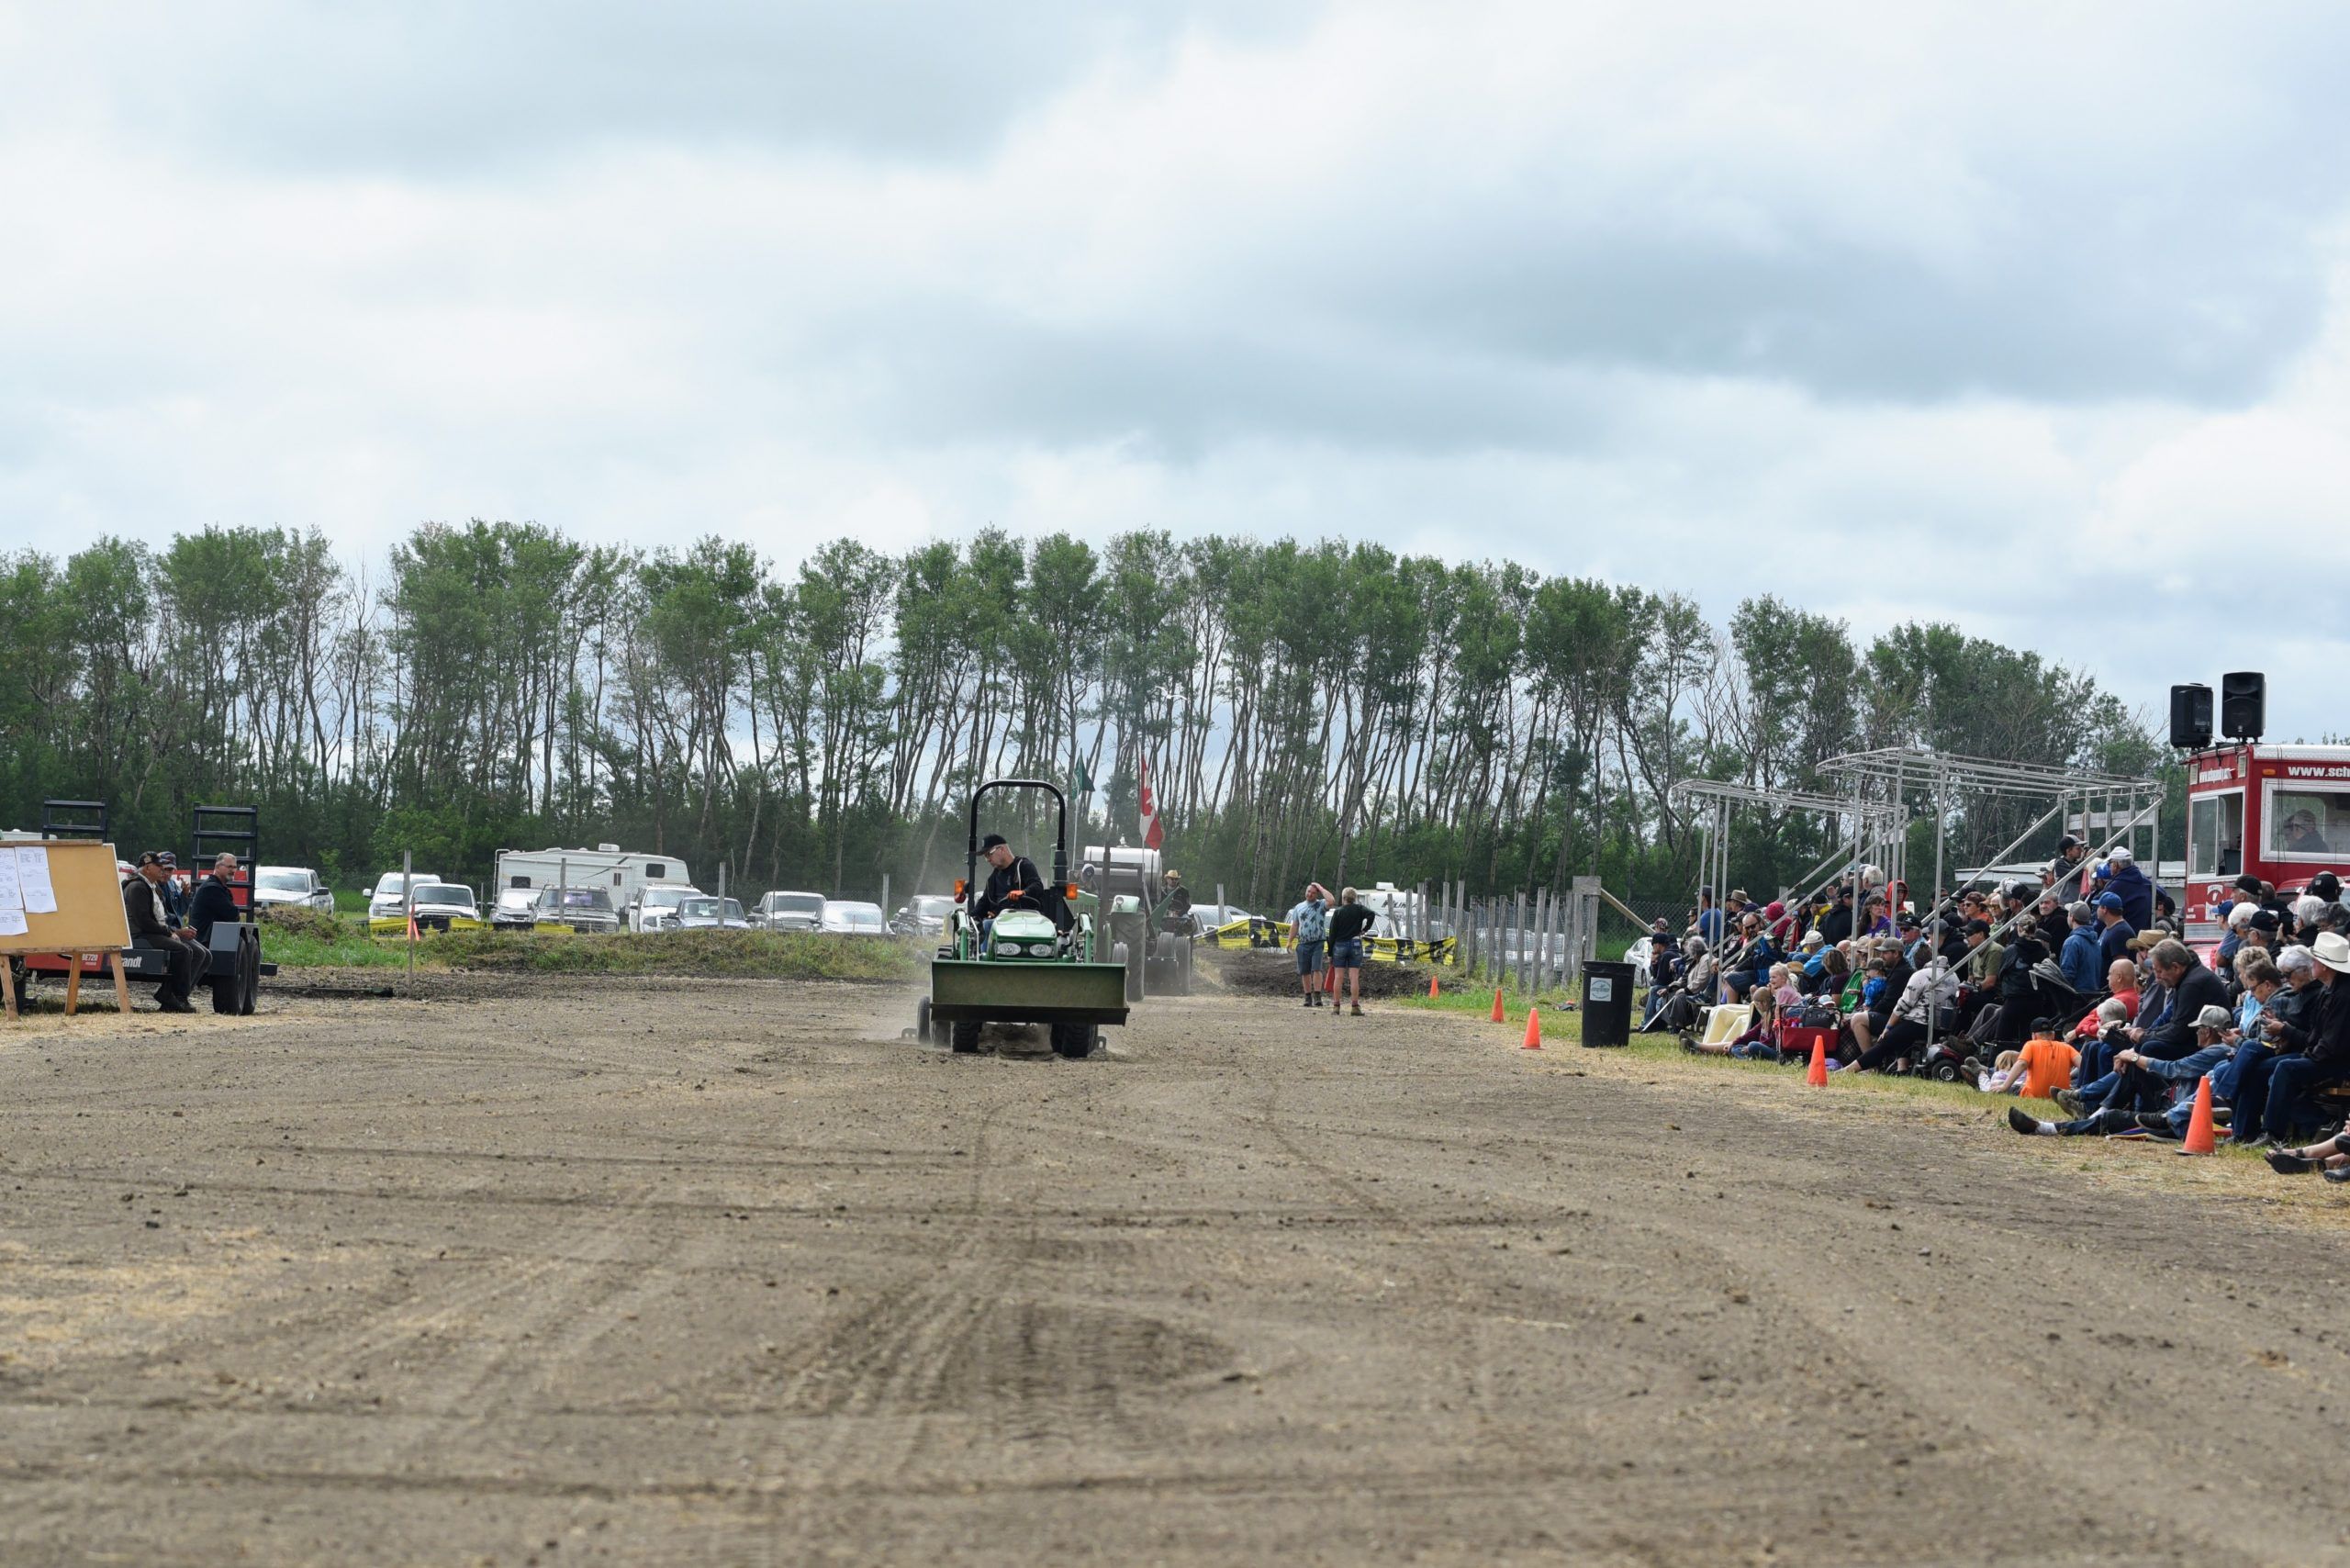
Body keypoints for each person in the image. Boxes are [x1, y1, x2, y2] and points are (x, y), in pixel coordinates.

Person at [2252, 929, 2350, 1143]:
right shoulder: (2329, 990)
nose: (2311, 964)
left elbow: (2332, 1044)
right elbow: (2318, 1035)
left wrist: (2306, 1053)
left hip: (2338, 1063)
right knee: (2267, 1071)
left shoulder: (2342, 995)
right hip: (2326, 1057)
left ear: (2324, 966)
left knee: (2285, 1069)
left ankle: (2273, 1132)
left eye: (2315, 960)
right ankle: (2317, 1122)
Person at [122, 851, 202, 1013]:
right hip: (139, 934)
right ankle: (177, 997)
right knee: (182, 950)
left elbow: (161, 916)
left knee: (187, 950)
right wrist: (168, 932)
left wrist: (169, 931)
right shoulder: (137, 887)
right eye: (158, 866)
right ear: (147, 867)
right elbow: (144, 921)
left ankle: (171, 995)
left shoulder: (151, 886)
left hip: (149, 932)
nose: (162, 869)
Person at [973, 833, 1053, 925]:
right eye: (985, 857)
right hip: (1000, 924)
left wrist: (1023, 892)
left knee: (987, 925)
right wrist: (970, 917)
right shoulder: (992, 879)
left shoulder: (1023, 866)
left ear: (1001, 849)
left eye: (989, 854)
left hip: (1025, 922)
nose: (988, 860)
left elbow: (1037, 886)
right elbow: (984, 902)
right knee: (983, 926)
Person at [1324, 887, 1377, 1017]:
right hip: (1355, 943)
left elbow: (1332, 934)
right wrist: (1365, 929)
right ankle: (1355, 1007)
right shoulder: (1359, 909)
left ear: (1343, 898)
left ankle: (1336, 1006)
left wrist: (1330, 952)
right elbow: (1371, 914)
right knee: (1354, 977)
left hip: (1340, 945)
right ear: (1355, 898)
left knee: (1338, 977)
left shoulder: (1338, 912)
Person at [1287, 883, 1331, 1008]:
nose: (1310, 894)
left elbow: (1331, 901)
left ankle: (1317, 995)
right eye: (1308, 891)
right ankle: (1307, 996)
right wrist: (1290, 940)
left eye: (1313, 892)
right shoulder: (1298, 907)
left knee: (1316, 969)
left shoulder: (1321, 904)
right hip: (1303, 943)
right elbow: (1295, 925)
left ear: (1317, 894)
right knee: (1304, 971)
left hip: (1318, 942)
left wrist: (1321, 888)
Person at [186, 853, 242, 944]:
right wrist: (235, 913)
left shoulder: (220, 888)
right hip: (204, 941)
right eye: (229, 867)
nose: (233, 870)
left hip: (212, 938)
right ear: (217, 867)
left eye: (234, 867)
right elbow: (232, 915)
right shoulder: (211, 888)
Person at [2059, 902, 2103, 997]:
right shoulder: (2096, 941)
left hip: (2077, 998)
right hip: (2092, 996)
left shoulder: (2072, 942)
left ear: (2072, 917)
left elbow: (2067, 975)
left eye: (2068, 914)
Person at [1155, 868, 1194, 935]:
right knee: (1153, 923)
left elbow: (1188, 905)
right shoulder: (1160, 891)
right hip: (1164, 914)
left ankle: (1184, 936)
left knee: (1187, 921)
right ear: (1167, 879)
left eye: (1176, 879)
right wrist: (1165, 912)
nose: (1174, 881)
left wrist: (1178, 913)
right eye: (1172, 879)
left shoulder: (1184, 891)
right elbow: (1157, 903)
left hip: (1181, 915)